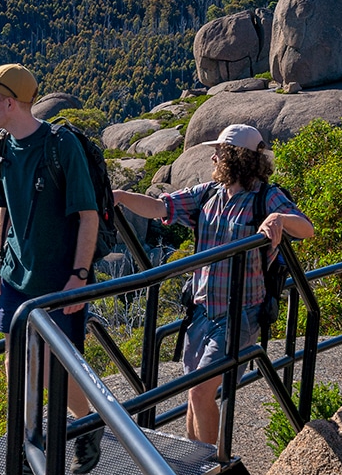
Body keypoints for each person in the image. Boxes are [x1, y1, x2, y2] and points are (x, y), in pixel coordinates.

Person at [113, 123, 314, 451]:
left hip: (239, 315)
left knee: (200, 391)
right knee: (195, 395)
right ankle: (197, 463)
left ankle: (208, 467)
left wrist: (280, 220)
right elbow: (161, 207)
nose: (213, 156)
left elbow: (306, 229)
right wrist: (120, 197)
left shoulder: (265, 196)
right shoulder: (208, 194)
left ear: (236, 157)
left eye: (219, 151)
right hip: (201, 309)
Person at [0, 63, 105, 475]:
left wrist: (79, 276)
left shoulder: (61, 146)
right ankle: (29, 456)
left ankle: (88, 421)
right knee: (17, 366)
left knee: (53, 370)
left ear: (9, 102)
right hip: (14, 277)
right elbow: (3, 208)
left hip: (59, 279)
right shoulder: (0, 147)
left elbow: (88, 215)